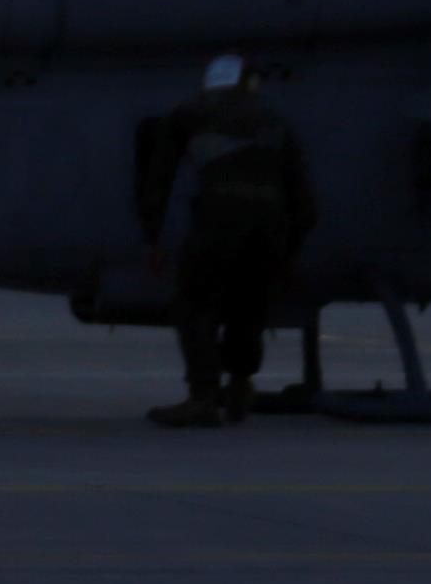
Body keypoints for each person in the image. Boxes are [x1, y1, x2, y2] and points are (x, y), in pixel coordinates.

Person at [130, 54, 315, 425]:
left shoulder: (188, 112)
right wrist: (291, 249)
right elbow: (304, 198)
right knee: (249, 305)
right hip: (270, 226)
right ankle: (241, 386)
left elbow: (158, 180)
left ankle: (202, 397)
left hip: (219, 221)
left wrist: (152, 238)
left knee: (195, 305)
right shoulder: (274, 119)